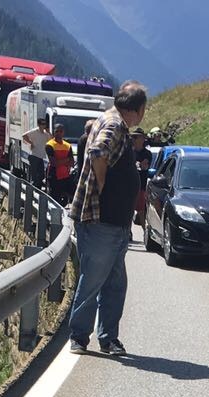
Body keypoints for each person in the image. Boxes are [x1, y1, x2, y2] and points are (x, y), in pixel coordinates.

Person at [66, 80, 148, 356]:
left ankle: (108, 338)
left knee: (114, 283)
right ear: (137, 110)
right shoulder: (114, 126)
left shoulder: (110, 120)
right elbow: (98, 153)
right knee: (94, 281)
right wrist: (101, 186)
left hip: (114, 223)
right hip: (102, 221)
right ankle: (79, 336)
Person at [45, 122, 75, 204]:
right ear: (53, 132)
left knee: (73, 195)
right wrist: (66, 160)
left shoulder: (68, 145)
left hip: (66, 176)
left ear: (63, 132)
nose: (58, 133)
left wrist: (61, 161)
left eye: (60, 131)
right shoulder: (49, 145)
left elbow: (72, 163)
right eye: (56, 131)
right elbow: (54, 163)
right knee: (54, 199)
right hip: (54, 176)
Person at [131, 127, 152, 233]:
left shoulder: (147, 153)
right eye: (133, 137)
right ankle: (127, 231)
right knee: (127, 210)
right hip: (129, 185)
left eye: (136, 137)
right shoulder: (129, 152)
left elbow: (145, 167)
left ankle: (145, 233)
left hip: (141, 185)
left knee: (141, 210)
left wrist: (137, 165)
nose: (133, 139)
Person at [22, 113, 50, 190]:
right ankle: (32, 191)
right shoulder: (34, 131)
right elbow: (24, 135)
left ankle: (36, 189)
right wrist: (31, 143)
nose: (44, 125)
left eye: (45, 124)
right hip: (34, 155)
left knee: (41, 175)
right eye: (42, 124)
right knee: (34, 175)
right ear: (39, 125)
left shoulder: (45, 134)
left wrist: (49, 132)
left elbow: (52, 140)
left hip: (41, 156)